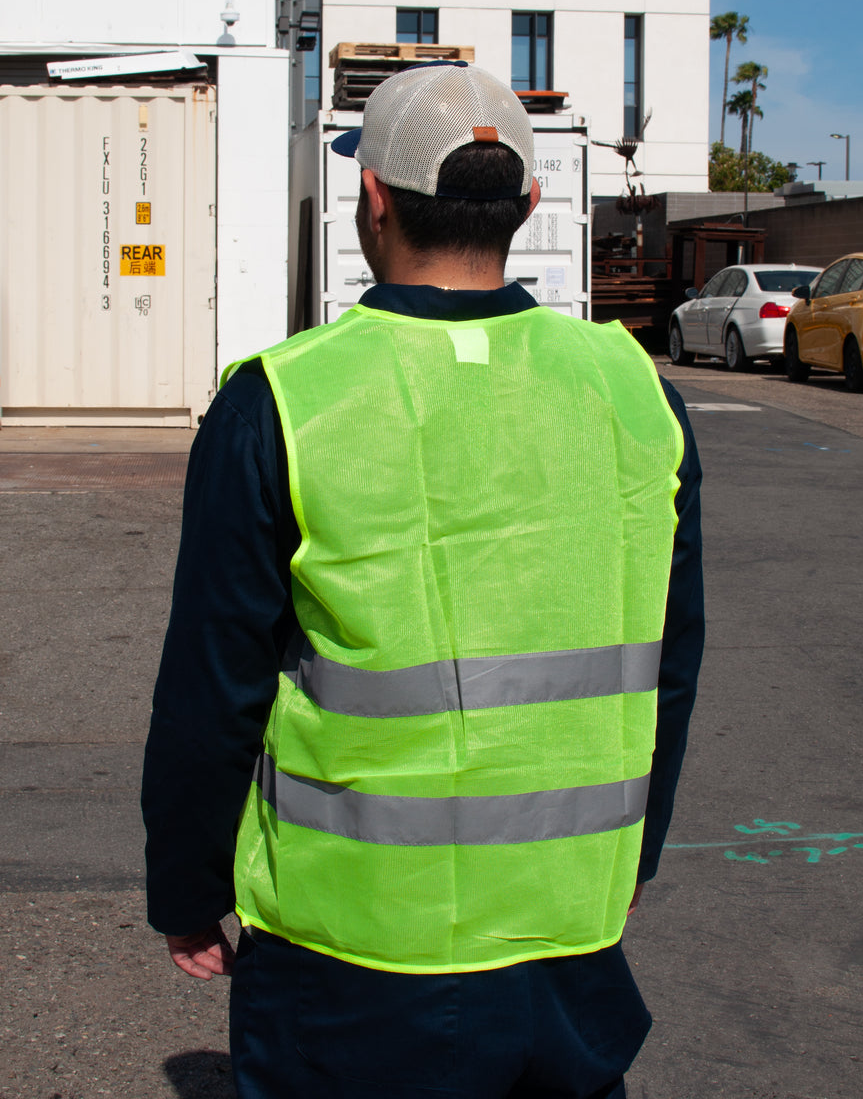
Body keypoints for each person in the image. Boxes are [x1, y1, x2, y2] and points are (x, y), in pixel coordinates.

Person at [142, 61, 703, 1099]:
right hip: (566, 931)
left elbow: (214, 682)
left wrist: (185, 882)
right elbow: (673, 660)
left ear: (372, 196)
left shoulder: (285, 400)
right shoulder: (634, 390)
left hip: (349, 942)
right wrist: (631, 859)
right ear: (529, 203)